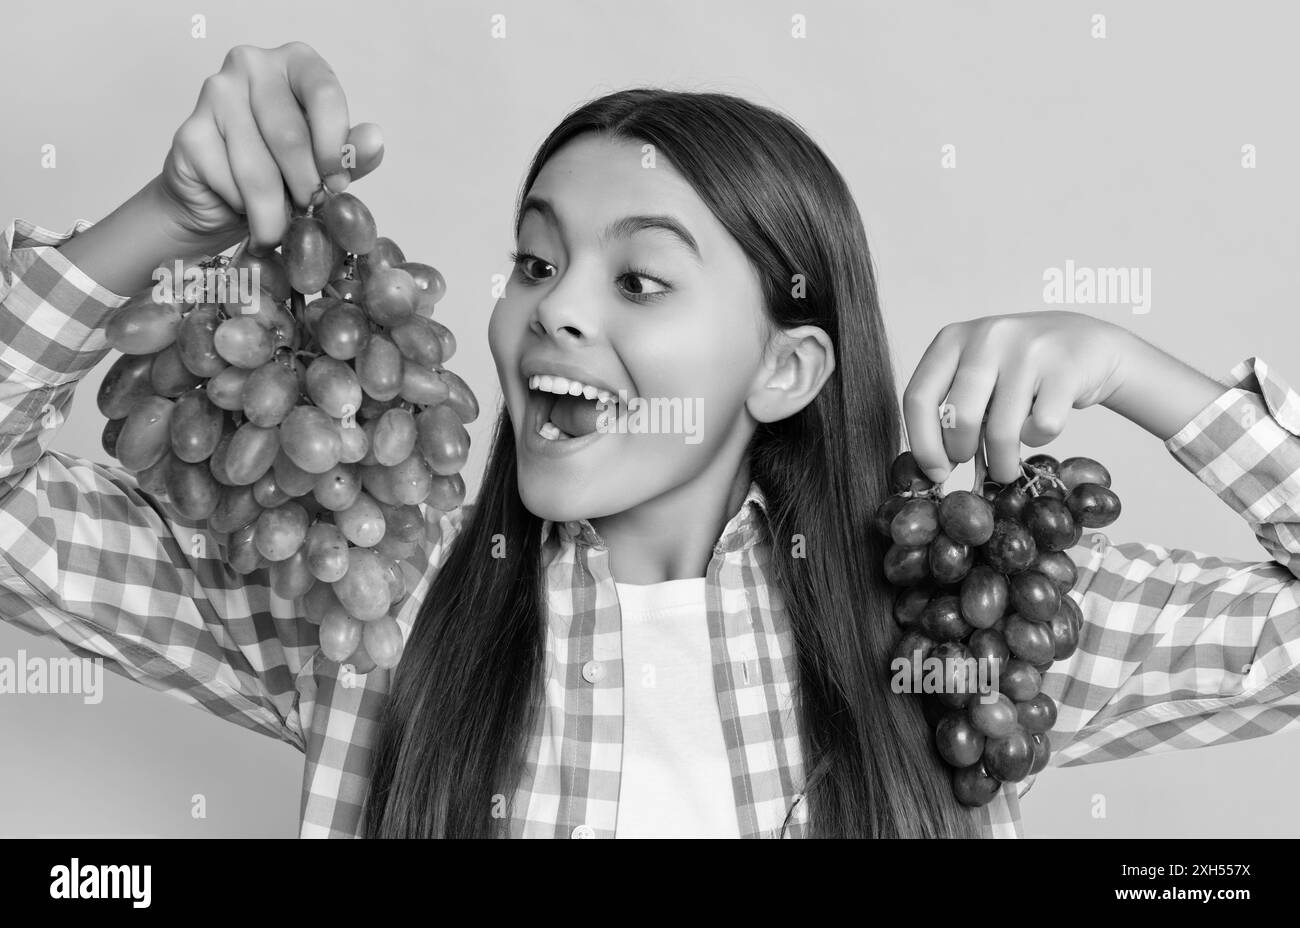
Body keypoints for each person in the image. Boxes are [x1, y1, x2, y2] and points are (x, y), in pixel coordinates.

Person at [2, 42, 1297, 839]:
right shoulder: (373, 601)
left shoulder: (958, 613)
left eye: (639, 281)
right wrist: (163, 223)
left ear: (786, 368)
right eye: (535, 260)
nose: (551, 307)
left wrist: (1147, 376)